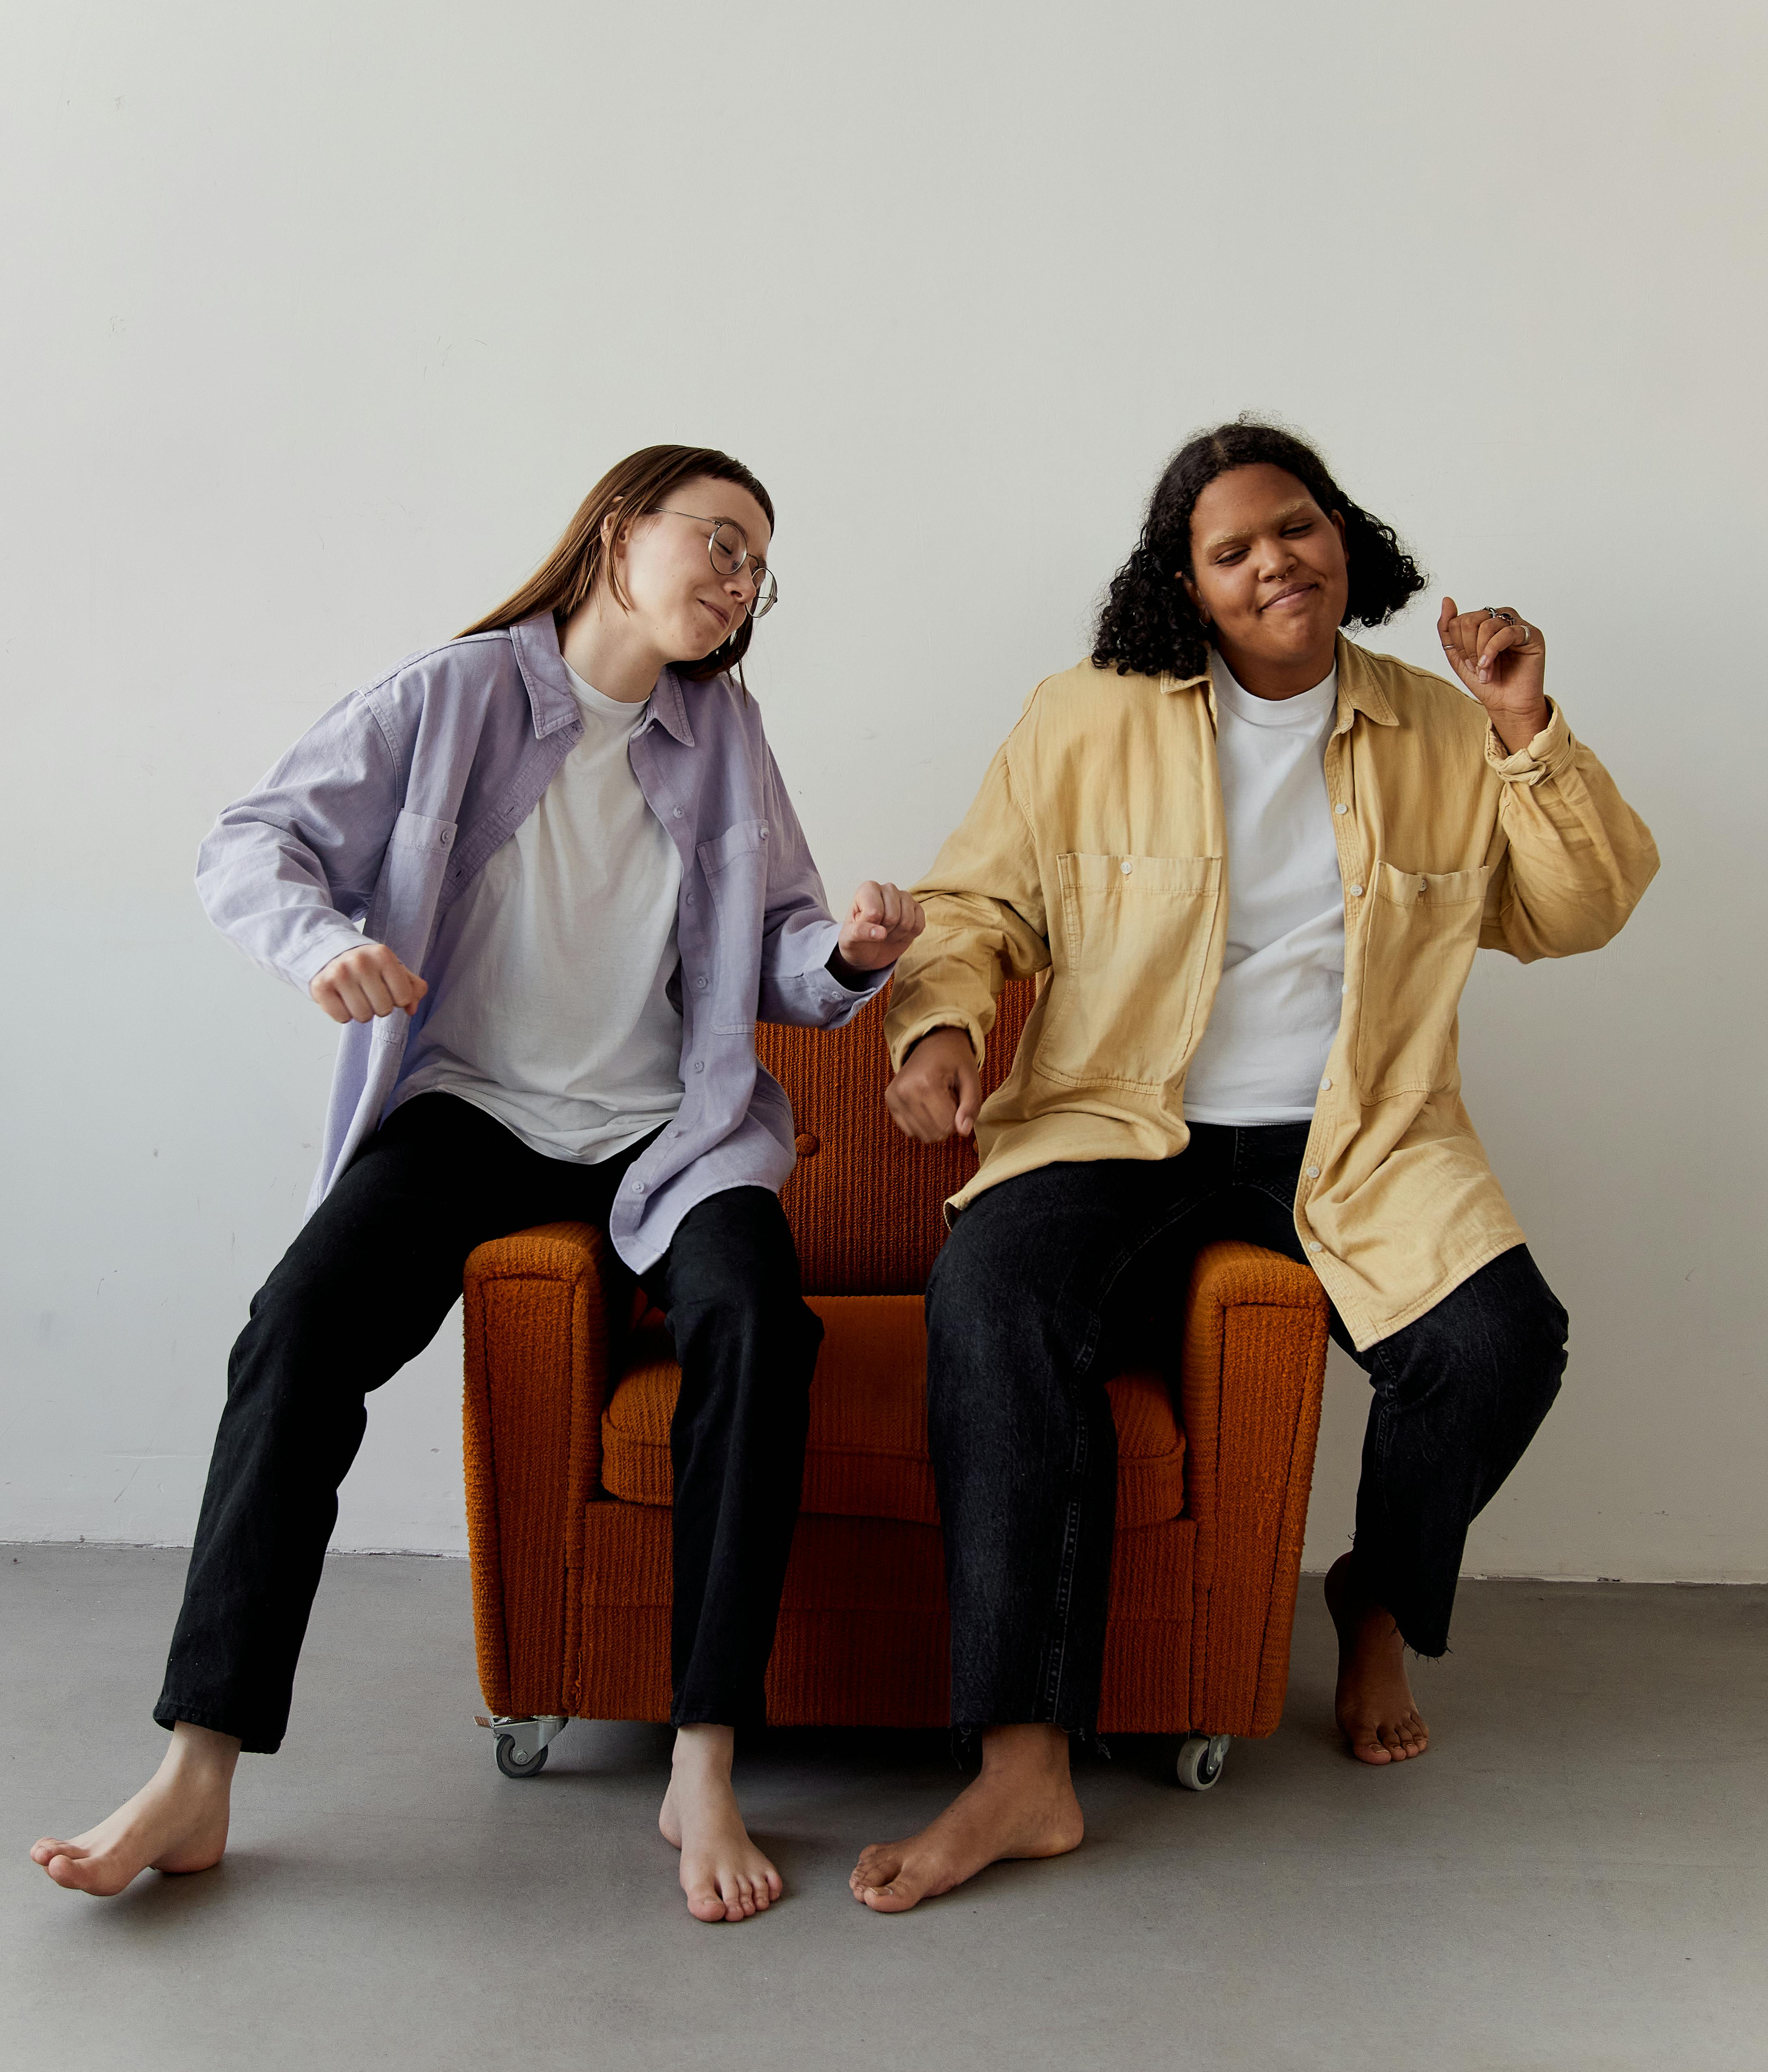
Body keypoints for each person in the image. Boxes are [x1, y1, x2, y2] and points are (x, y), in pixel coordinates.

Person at [32, 444, 922, 1922]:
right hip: (471, 1113)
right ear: (620, 532)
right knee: (298, 1329)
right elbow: (249, 841)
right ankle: (198, 1768)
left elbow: (782, 947)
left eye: (759, 565)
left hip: (667, 1131)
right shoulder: (452, 696)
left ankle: (704, 1757)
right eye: (719, 540)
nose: (739, 580)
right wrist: (324, 946)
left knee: (760, 1325)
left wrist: (847, 959)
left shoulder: (727, 732)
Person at [853, 419, 1658, 1912]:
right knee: (993, 1304)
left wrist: (1524, 735)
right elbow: (975, 907)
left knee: (1501, 1347)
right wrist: (939, 1029)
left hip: (1362, 1135)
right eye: (1233, 551)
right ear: (1190, 584)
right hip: (1117, 1122)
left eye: (1295, 527)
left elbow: (1579, 911)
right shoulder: (1086, 718)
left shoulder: (1437, 726)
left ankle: (1377, 1601)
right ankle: (1023, 1764)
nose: (1274, 560)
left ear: (1339, 534)